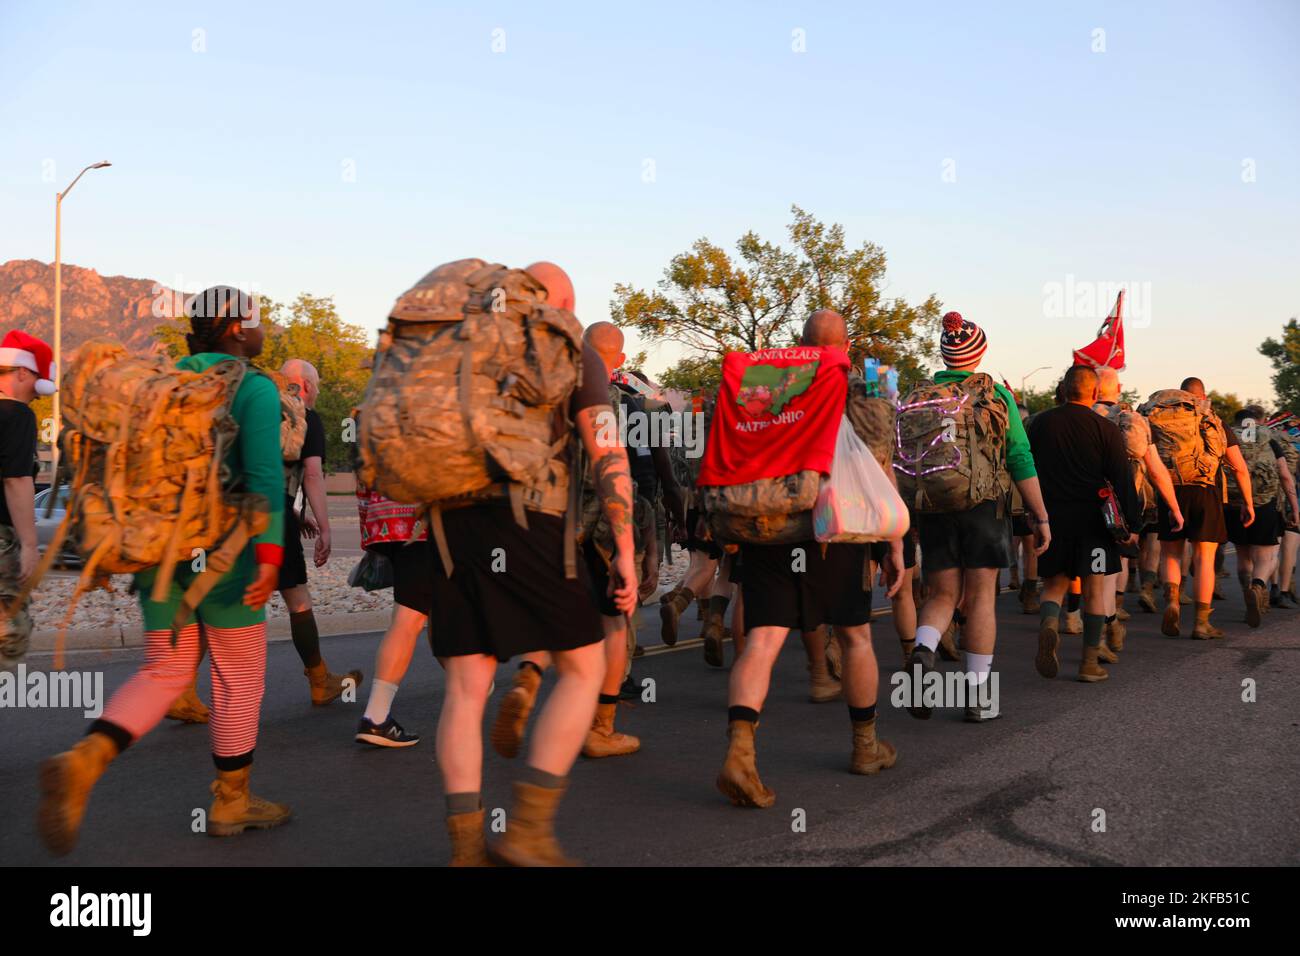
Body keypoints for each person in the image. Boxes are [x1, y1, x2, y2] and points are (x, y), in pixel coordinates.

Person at [38, 286, 290, 855]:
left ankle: (86, 757)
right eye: (256, 322)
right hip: (228, 557)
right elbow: (266, 479)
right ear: (233, 330)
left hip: (158, 551)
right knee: (237, 676)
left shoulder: (164, 385)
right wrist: (271, 556)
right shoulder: (250, 387)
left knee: (165, 671)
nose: (262, 331)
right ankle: (231, 800)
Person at [423, 263, 637, 867]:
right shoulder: (571, 346)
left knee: (464, 689)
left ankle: (465, 851)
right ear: (562, 300)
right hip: (529, 519)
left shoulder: (461, 340)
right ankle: (529, 831)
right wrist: (622, 547)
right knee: (583, 666)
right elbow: (606, 449)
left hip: (447, 526)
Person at [715, 309, 904, 809]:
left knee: (763, 640)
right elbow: (878, 463)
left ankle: (740, 751)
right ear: (845, 343)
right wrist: (894, 544)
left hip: (767, 525)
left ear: (800, 341)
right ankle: (866, 747)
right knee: (857, 637)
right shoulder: (862, 380)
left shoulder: (764, 375)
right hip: (832, 530)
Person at [490, 320, 649, 763]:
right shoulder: (618, 401)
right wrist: (627, 545)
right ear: (615, 359)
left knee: (550, 614)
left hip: (547, 522)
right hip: (598, 525)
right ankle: (601, 727)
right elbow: (621, 469)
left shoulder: (549, 391)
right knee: (614, 623)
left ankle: (528, 677)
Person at [907, 313, 1049, 721]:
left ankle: (923, 651)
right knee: (983, 596)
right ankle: (977, 697)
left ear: (943, 354)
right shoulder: (997, 396)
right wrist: (1040, 515)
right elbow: (1020, 457)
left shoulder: (922, 394)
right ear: (980, 352)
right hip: (985, 506)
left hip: (934, 505)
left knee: (941, 595)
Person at [1028, 366, 1142, 682]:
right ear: (1093, 393)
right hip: (1095, 520)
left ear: (1063, 389)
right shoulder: (1105, 428)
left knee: (1054, 584)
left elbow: (1026, 468)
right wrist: (1132, 523)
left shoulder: (1040, 424)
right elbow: (1122, 478)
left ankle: (1050, 624)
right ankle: (1089, 664)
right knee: (1094, 587)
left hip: (1053, 518)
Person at [276, 359, 363, 704]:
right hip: (273, 519)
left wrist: (296, 514)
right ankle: (320, 680)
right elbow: (312, 474)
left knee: (219, 603)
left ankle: (182, 686)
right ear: (308, 386)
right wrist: (326, 529)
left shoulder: (258, 412)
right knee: (298, 600)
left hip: (242, 514)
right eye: (319, 386)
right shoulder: (305, 418)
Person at [1152, 377, 1254, 639]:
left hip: (1170, 489)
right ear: (1202, 395)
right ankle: (1201, 623)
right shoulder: (1211, 419)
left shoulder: (1162, 417)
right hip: (1204, 490)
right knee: (1204, 558)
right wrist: (1247, 502)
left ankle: (1172, 602)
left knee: (1171, 554)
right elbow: (1239, 467)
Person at [1094, 366, 1185, 654]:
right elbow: (1156, 470)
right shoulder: (1132, 420)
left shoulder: (1080, 418)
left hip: (1083, 503)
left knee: (1088, 572)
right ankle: (1111, 620)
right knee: (1113, 565)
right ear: (1117, 389)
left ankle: (1074, 618)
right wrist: (1174, 506)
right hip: (1125, 503)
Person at [353, 484, 428, 746]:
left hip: (388, 519)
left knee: (420, 610)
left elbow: (363, 471)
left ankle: (471, 686)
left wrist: (369, 526)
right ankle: (375, 717)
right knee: (410, 617)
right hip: (426, 516)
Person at [0, 330, 52, 673]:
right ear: (22, 371)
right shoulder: (15, 414)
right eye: (37, 380)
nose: (36, 392)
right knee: (9, 633)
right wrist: (31, 545)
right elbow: (17, 479)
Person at [1224, 405, 1298, 626]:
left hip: (1234, 505)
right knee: (1265, 557)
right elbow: (1285, 475)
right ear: (1260, 421)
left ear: (1237, 423)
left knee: (1243, 556)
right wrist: (1294, 507)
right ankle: (1258, 586)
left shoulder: (1229, 438)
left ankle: (1248, 594)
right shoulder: (1270, 440)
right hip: (1264, 504)